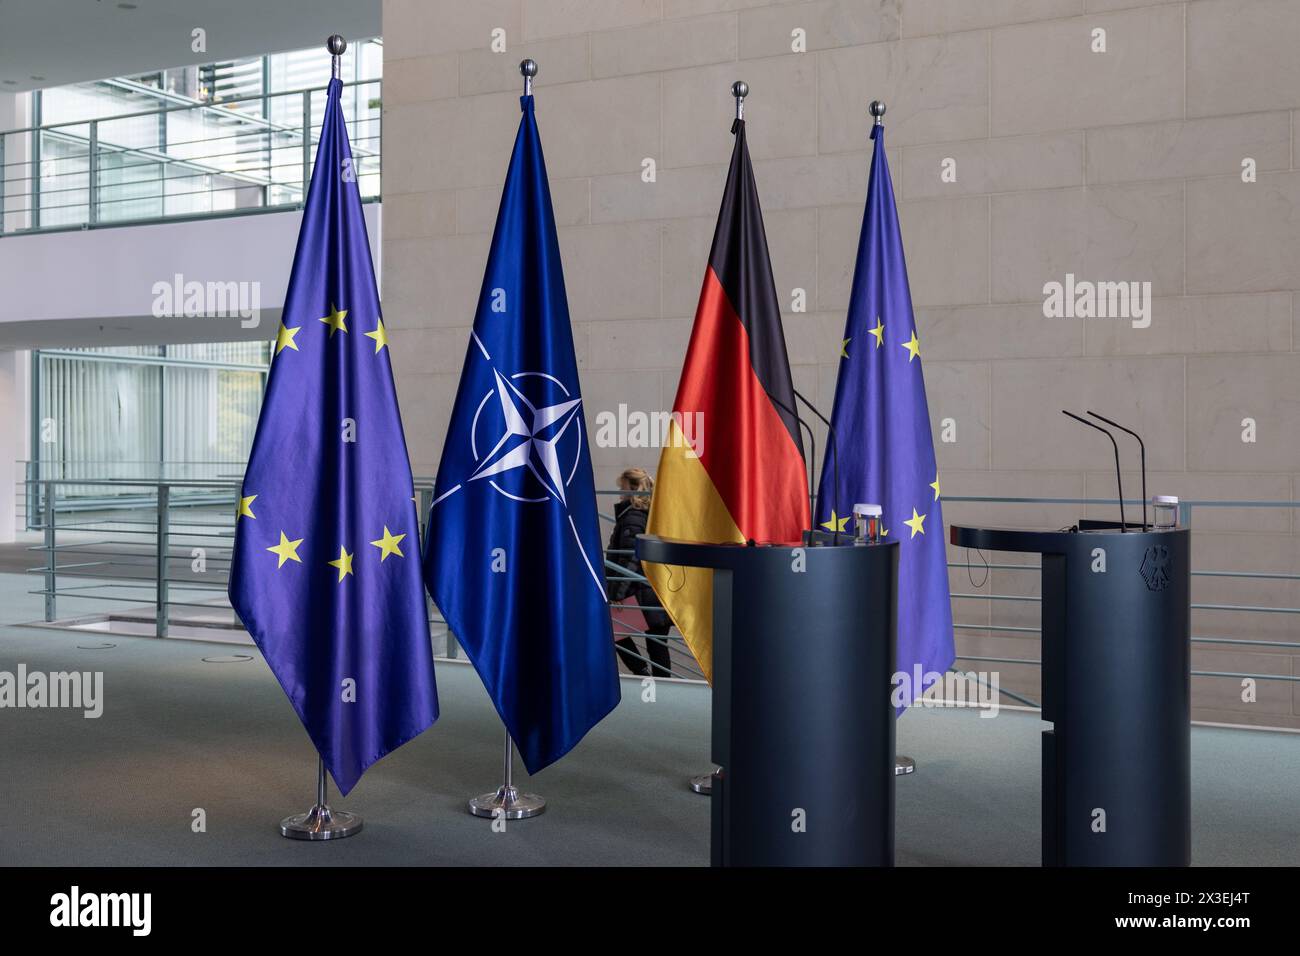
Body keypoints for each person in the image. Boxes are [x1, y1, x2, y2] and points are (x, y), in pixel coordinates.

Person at [606, 467, 674, 677]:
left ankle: (644, 674)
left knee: (612, 629)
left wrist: (616, 594)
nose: (620, 493)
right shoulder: (650, 514)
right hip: (658, 591)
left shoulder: (633, 517)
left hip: (643, 592)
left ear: (633, 489)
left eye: (623, 487)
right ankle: (663, 685)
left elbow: (629, 558)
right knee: (656, 643)